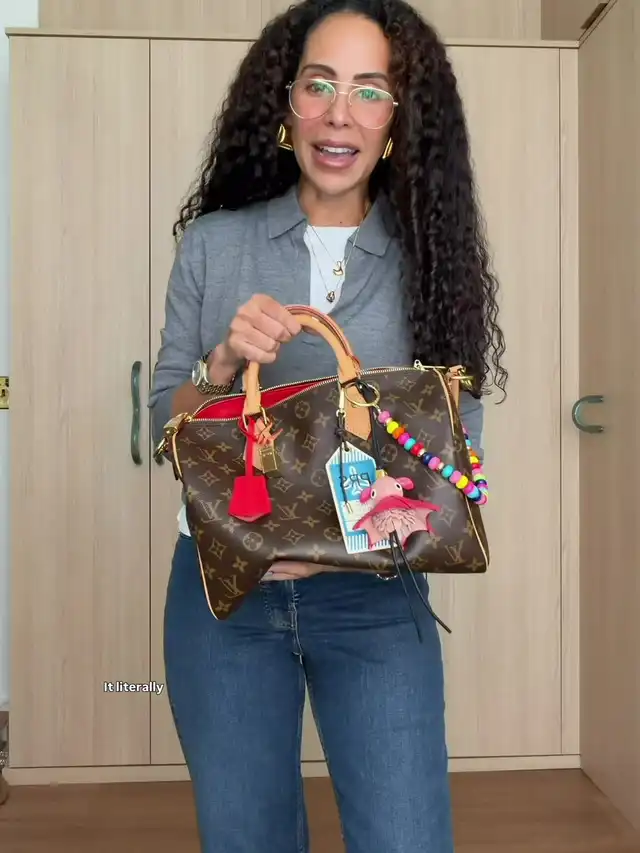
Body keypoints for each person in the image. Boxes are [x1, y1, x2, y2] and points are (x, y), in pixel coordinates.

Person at [148, 0, 507, 850]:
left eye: (370, 91)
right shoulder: (214, 245)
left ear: (397, 120)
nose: (340, 113)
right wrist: (221, 365)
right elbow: (165, 422)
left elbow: (458, 457)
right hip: (224, 596)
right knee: (248, 837)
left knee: (404, 837)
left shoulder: (430, 256)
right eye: (320, 85)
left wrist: (344, 543)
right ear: (286, 102)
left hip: (374, 598)